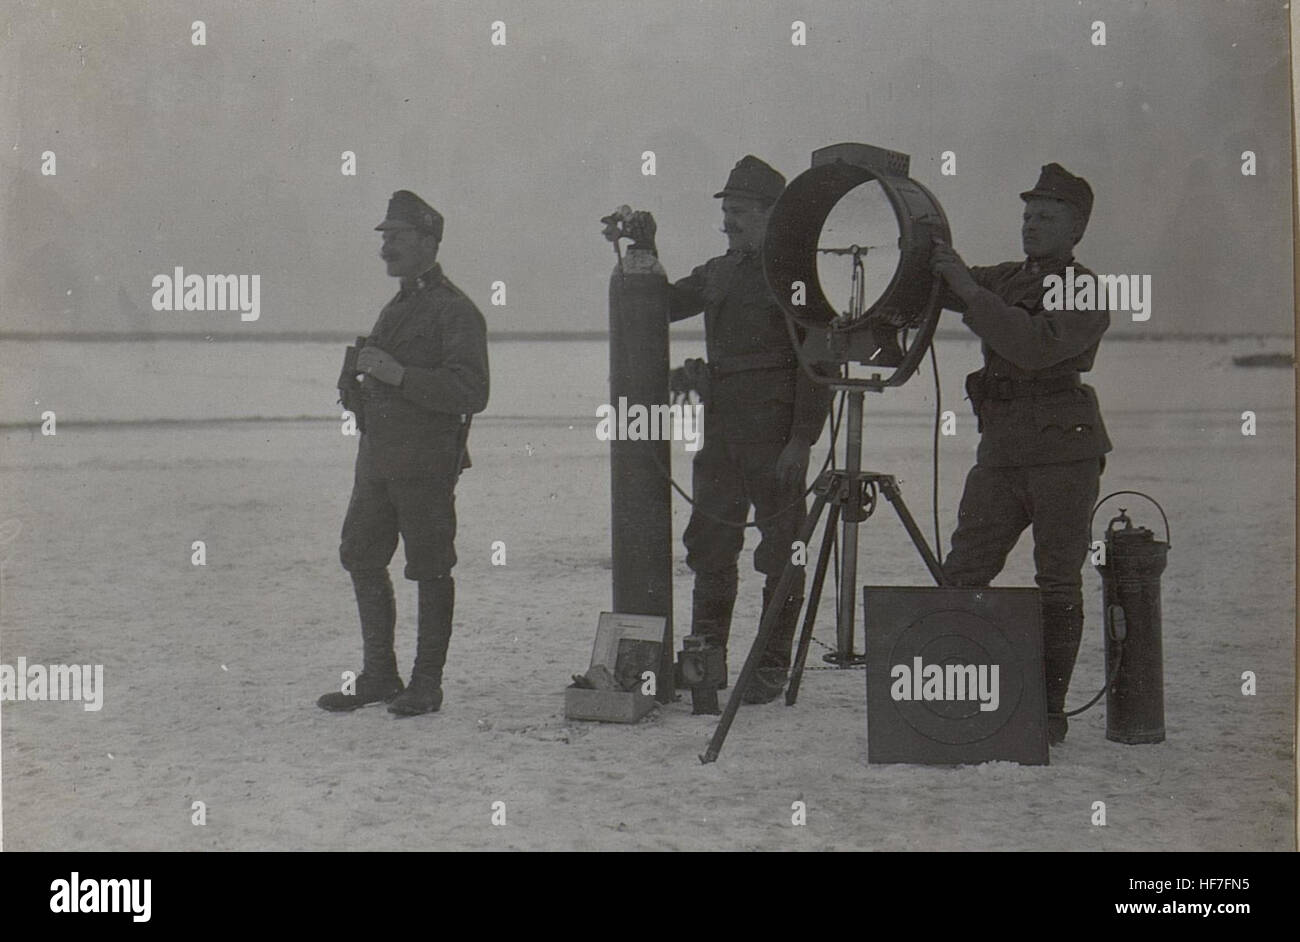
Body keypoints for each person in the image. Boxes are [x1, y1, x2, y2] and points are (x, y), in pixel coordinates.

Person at [626, 156, 832, 704]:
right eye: (726, 212)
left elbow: (819, 363)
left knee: (783, 548)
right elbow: (658, 305)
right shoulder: (719, 272)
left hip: (774, 434)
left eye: (739, 212)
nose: (728, 222)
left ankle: (769, 666)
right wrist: (643, 250)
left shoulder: (797, 276)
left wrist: (802, 440)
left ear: (773, 215)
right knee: (711, 546)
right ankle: (705, 662)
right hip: (720, 434)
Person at [929, 163, 1110, 745]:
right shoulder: (1006, 278)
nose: (1031, 225)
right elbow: (934, 283)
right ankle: (955, 696)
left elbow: (1030, 347)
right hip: (1002, 450)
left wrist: (964, 286)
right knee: (964, 571)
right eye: (1027, 215)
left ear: (1076, 230)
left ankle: (1049, 712)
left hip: (1064, 451)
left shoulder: (1085, 289)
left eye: (1047, 217)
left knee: (1056, 580)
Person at [318, 190, 489, 717]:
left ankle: (426, 684)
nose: (386, 247)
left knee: (431, 567)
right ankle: (379, 675)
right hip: (377, 463)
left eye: (396, 236)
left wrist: (398, 375)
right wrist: (357, 385)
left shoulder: (455, 311)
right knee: (360, 556)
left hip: (425, 466)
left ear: (429, 241)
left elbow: (471, 392)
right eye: (384, 237)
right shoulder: (398, 305)